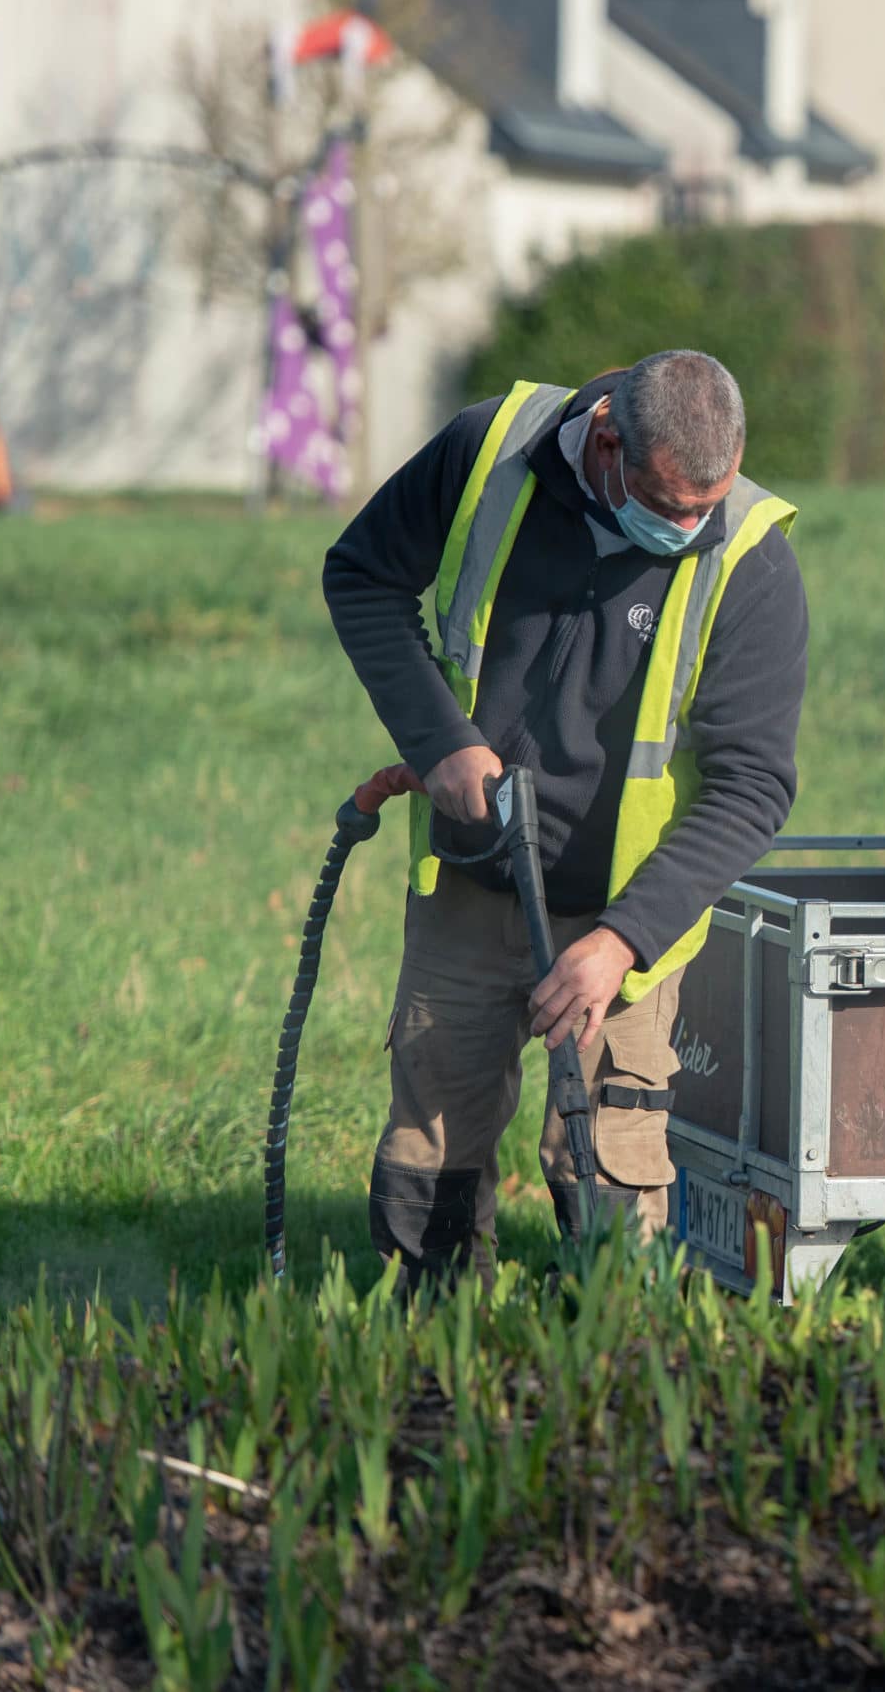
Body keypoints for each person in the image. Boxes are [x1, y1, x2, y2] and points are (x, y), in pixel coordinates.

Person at [323, 351, 807, 1288]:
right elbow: (363, 578)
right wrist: (440, 744)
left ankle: (607, 1375)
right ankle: (430, 1352)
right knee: (432, 1151)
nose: (690, 530)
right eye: (669, 507)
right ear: (609, 441)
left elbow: (751, 786)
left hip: (624, 920)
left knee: (610, 1171)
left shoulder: (752, 560)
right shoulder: (488, 451)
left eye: (707, 505)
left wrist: (623, 940)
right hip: (471, 884)